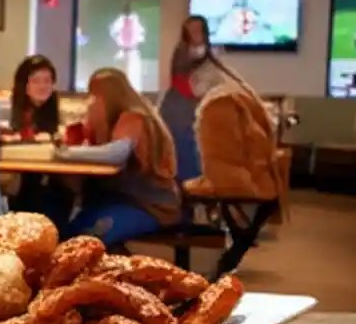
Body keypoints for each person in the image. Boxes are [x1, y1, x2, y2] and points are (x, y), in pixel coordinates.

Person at [59, 68, 180, 246]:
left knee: (89, 238)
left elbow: (116, 153)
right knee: (69, 235)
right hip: (113, 201)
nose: (89, 102)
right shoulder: (110, 124)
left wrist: (65, 153)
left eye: (93, 96)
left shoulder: (134, 118)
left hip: (147, 206)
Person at [183, 58, 284, 201]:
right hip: (265, 183)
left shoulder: (216, 106)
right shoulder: (242, 93)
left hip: (240, 187)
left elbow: (217, 168)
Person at [8, 55, 73, 222]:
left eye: (47, 81)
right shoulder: (9, 109)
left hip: (55, 175)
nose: (43, 86)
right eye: (36, 81)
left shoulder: (63, 110)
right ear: (24, 84)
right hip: (19, 173)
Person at [161, 15, 210, 180]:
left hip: (198, 106)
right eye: (192, 30)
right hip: (180, 107)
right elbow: (180, 81)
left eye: (198, 30)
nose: (195, 34)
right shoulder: (182, 52)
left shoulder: (210, 54)